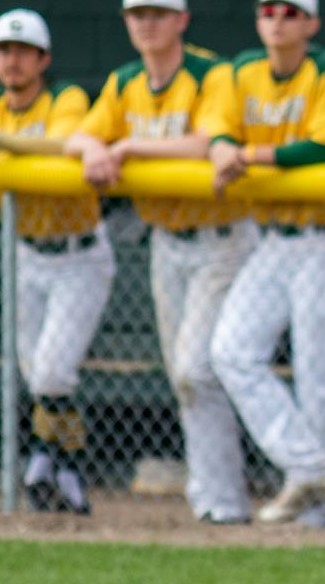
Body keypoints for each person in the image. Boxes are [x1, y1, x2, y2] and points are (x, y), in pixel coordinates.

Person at [63, 0, 255, 525]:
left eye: (158, 13)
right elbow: (80, 133)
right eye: (137, 15)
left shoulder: (208, 71)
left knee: (199, 367)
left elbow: (208, 142)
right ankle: (216, 501)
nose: (147, 23)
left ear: (181, 20)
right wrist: (92, 150)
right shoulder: (126, 80)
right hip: (167, 241)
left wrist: (127, 147)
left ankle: (230, 500)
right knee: (184, 374)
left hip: (223, 237)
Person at [207, 0, 325, 529]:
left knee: (316, 371)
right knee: (229, 350)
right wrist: (222, 148)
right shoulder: (241, 71)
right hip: (273, 237)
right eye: (269, 11)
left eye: (291, 13)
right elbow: (218, 128)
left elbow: (323, 145)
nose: (278, 20)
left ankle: (318, 514)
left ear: (311, 24)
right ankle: (309, 467)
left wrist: (246, 156)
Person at [0, 8, 115, 515]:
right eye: (4, 50)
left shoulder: (65, 98)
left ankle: (42, 463)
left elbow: (62, 146)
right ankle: (69, 471)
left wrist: (7, 146)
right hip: (26, 253)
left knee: (50, 372)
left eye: (23, 52)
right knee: (42, 377)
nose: (12, 61)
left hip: (78, 254)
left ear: (43, 59)